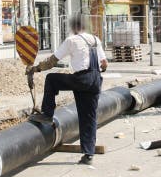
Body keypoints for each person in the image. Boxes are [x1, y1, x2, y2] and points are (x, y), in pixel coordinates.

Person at [27, 15, 108, 165]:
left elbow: (52, 61)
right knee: (89, 116)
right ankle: (88, 154)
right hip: (96, 80)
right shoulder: (96, 40)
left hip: (82, 79)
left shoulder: (72, 40)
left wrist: (36, 69)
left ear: (74, 28)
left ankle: (47, 114)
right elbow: (104, 64)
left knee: (51, 79)